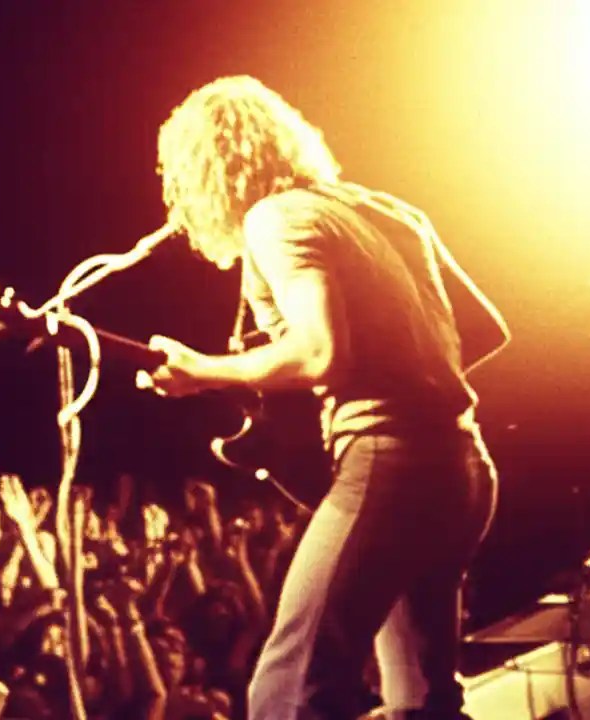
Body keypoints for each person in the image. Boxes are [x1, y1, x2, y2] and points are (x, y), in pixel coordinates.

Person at [138, 75, 510, 719]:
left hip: (389, 468)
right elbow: (481, 332)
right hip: (464, 468)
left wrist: (204, 370)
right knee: (423, 701)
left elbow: (319, 353)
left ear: (208, 169)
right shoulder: (385, 210)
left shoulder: (275, 218)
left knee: (288, 690)